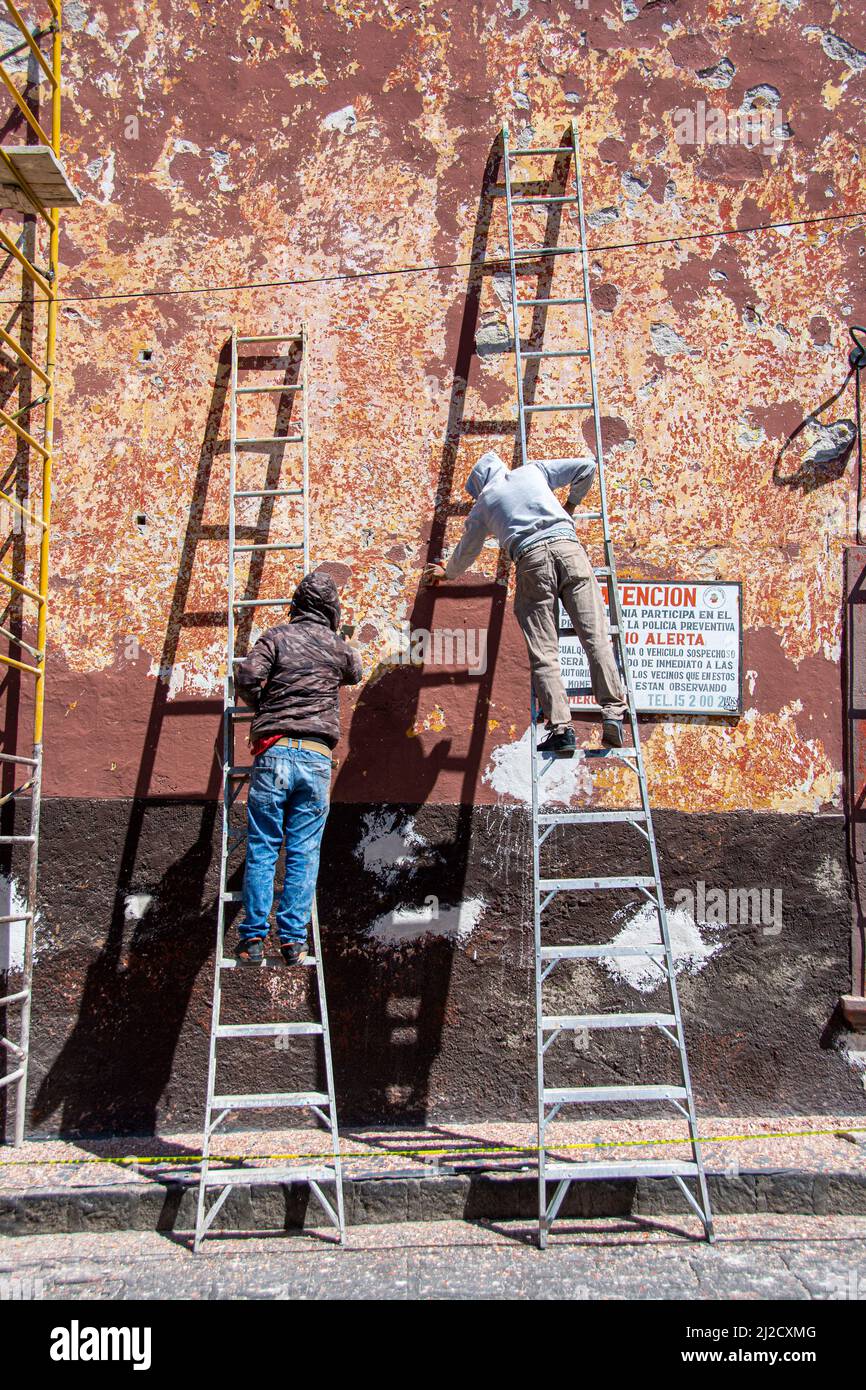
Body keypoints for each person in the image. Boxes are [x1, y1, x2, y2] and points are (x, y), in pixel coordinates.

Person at [423, 450, 627, 756]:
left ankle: (561, 728)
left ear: (479, 484)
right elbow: (586, 467)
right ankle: (613, 712)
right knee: (595, 637)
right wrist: (569, 505)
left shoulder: (484, 503)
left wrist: (448, 572)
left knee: (544, 650)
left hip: (531, 559)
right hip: (569, 548)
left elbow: (468, 549)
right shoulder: (533, 471)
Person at [233, 570, 362, 965]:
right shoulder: (337, 647)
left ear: (297, 604)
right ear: (331, 609)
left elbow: (247, 676)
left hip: (274, 753)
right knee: (304, 851)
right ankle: (293, 941)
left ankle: (252, 940)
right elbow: (355, 672)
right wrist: (345, 642)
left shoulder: (275, 637)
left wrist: (268, 706)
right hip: (316, 757)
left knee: (264, 845)